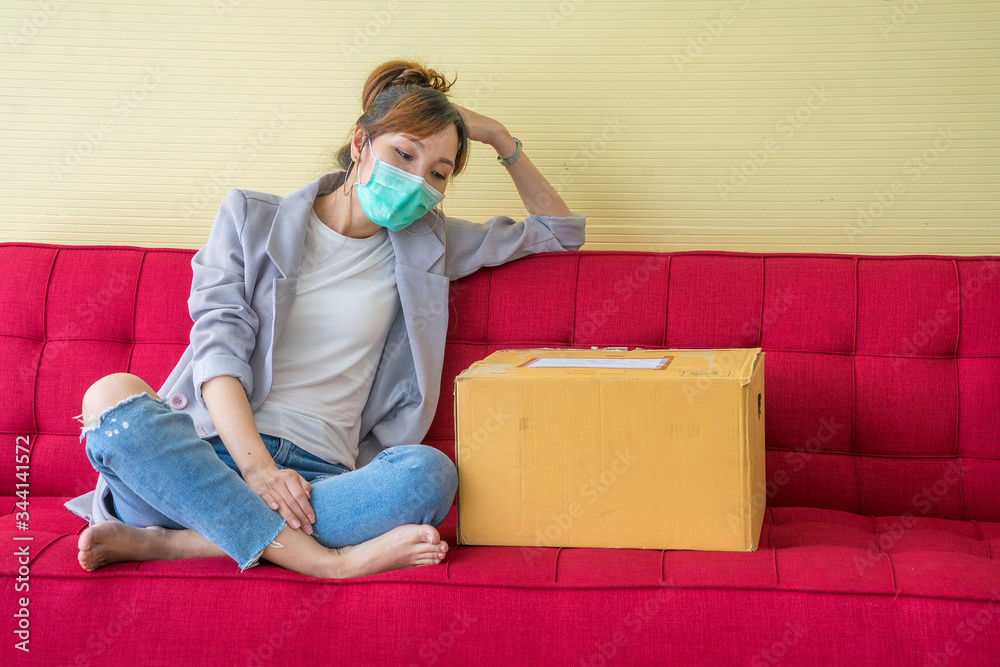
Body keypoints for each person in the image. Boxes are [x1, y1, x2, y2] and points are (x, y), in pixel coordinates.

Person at [65, 59, 587, 579]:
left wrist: (497, 136)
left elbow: (560, 231)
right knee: (110, 395)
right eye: (403, 154)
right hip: (203, 462)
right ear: (360, 143)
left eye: (438, 173)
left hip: (323, 481)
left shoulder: (430, 245)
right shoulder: (251, 218)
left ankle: (178, 544)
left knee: (429, 473)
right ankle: (323, 561)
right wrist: (259, 470)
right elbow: (217, 350)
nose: (415, 181)